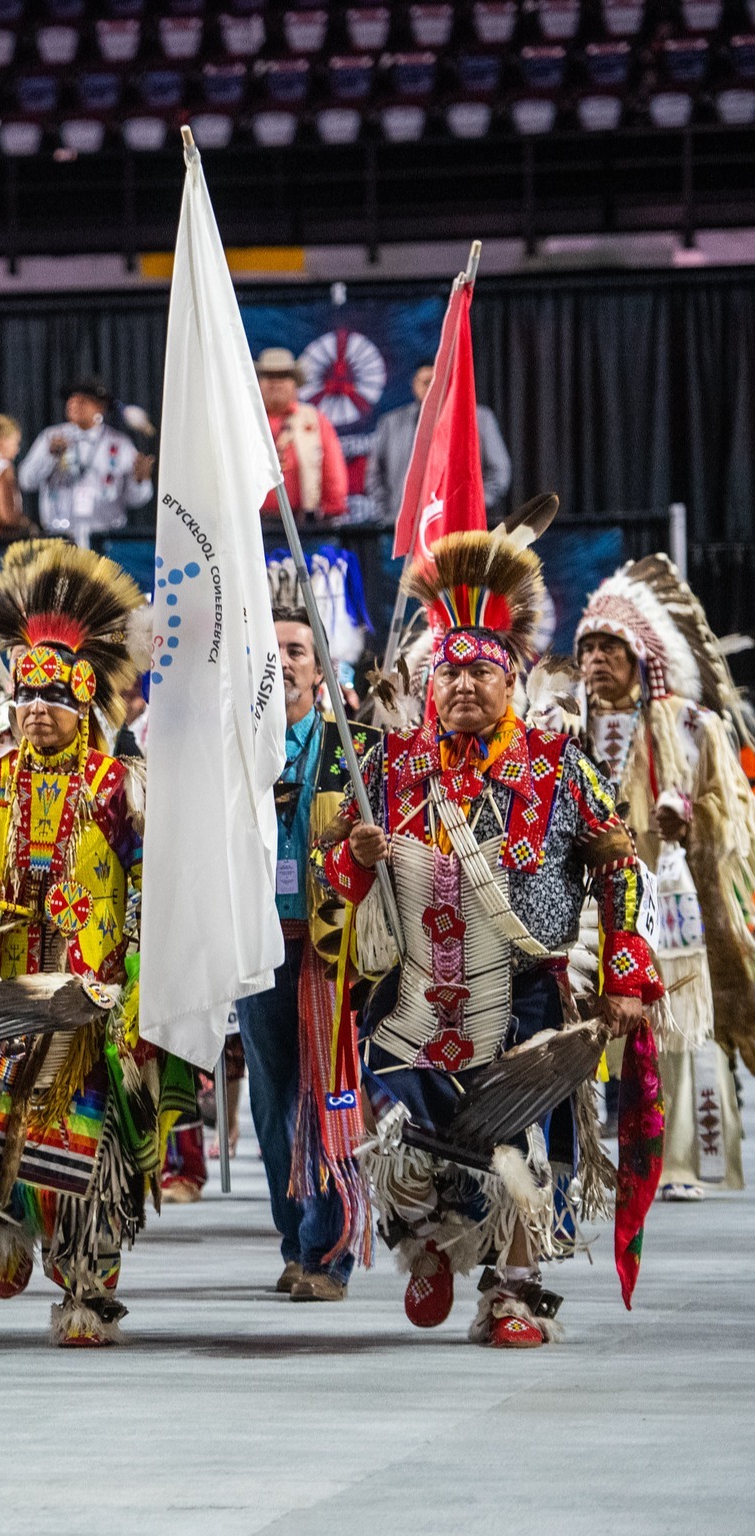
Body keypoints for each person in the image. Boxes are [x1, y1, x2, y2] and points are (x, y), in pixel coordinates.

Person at [326, 527, 664, 1348]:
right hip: (416, 992)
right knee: (408, 1137)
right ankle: (432, 1242)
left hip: (524, 989)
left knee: (521, 1142)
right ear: (428, 682)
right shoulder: (392, 764)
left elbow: (619, 867)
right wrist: (355, 859)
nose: (465, 684)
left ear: (510, 678)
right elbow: (339, 880)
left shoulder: (558, 765)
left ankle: (513, 1293)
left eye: (483, 669)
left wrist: (623, 973)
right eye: (451, 670)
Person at [0, 541, 192, 1347]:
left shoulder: (119, 784)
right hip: (4, 992)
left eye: (55, 697)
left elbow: (156, 875)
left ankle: (87, 1291)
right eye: (27, 695)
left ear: (83, 705)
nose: (37, 709)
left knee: (85, 1150)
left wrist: (145, 976)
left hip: (88, 998)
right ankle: (4, 1233)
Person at [574, 557, 753, 1200]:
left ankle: (678, 1162)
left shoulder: (689, 725)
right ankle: (584, 1162)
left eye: (609, 647)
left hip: (669, 903)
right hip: (591, 905)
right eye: (587, 647)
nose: (595, 660)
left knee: (673, 1028)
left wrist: (691, 822)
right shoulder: (565, 727)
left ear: (639, 655)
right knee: (582, 1034)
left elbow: (734, 815)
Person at [233, 567, 378, 1300]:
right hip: (259, 945)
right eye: (272, 651)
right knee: (269, 1101)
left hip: (329, 951)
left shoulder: (357, 751)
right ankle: (294, 1242)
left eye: (295, 651)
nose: (283, 662)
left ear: (321, 670)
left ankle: (332, 1250)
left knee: (325, 1098)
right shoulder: (240, 754)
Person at [367, 358, 513, 520]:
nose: (432, 388)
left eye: (438, 381)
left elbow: (499, 471)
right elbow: (374, 476)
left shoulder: (479, 419)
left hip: (458, 527)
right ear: (414, 385)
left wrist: (470, 506)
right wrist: (389, 515)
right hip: (402, 529)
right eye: (426, 382)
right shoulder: (391, 424)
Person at [15, 378, 154, 546]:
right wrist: (49, 456)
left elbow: (136, 500)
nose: (73, 405)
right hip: (60, 538)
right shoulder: (51, 437)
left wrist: (139, 481)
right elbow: (26, 481)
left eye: (82, 401)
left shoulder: (120, 444)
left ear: (100, 407)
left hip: (105, 538)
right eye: (71, 401)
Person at [256, 349, 348, 519]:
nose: (276, 383)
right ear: (258, 383)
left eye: (283, 376)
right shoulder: (245, 420)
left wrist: (331, 512)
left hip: (305, 524)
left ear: (295, 383)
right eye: (269, 376)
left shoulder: (314, 420)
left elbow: (332, 472)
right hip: (253, 522)